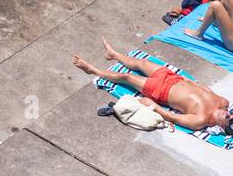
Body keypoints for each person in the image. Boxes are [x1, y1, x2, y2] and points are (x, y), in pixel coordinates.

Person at [72, 36, 233, 132]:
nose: (230, 115)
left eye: (230, 121)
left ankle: (92, 70)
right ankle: (113, 55)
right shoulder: (223, 102)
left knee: (126, 77)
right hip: (174, 78)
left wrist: (154, 106)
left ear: (223, 127)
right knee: (142, 63)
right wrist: (186, 80)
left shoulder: (200, 120)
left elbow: (173, 117)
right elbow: (204, 88)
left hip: (162, 90)